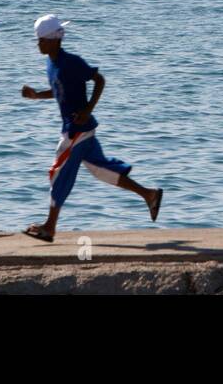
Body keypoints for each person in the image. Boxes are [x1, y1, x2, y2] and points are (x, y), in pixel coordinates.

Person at [20, 14, 163, 242]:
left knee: (59, 172)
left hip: (77, 131)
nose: (39, 44)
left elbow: (100, 80)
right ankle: (150, 195)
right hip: (78, 129)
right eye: (38, 40)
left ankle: (50, 227)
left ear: (55, 39)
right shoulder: (52, 63)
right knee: (101, 171)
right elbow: (60, 92)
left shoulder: (72, 62)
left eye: (42, 40)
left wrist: (87, 109)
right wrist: (37, 95)